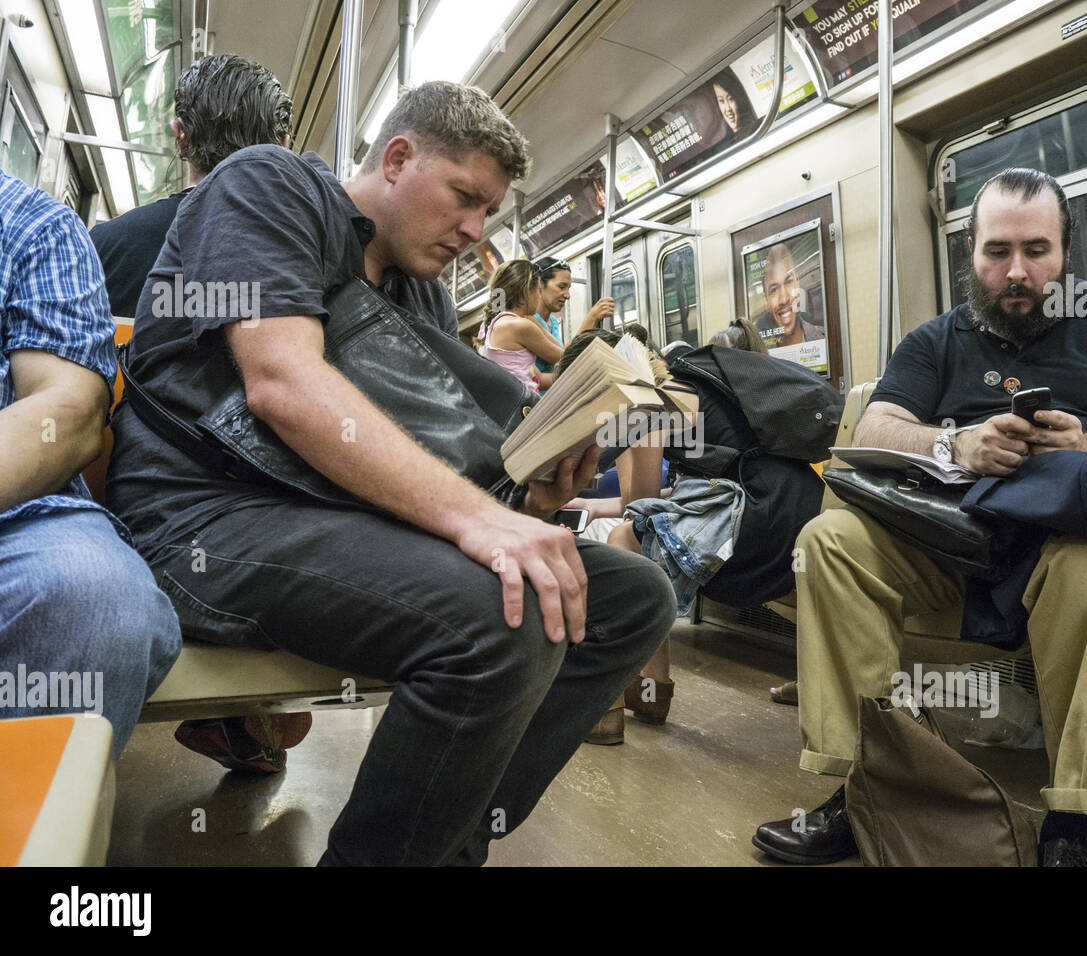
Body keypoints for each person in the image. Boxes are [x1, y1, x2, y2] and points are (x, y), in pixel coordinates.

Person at [106, 80, 675, 865]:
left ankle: (445, 844)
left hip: (333, 520)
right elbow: (281, 383)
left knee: (631, 597)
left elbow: (417, 465)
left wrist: (525, 492)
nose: (476, 232)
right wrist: (480, 521)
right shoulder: (270, 186)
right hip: (205, 515)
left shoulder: (422, 295)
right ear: (399, 158)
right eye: (465, 197)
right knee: (496, 620)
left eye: (490, 214)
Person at [752, 167, 1087, 867]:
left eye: (1037, 250)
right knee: (829, 540)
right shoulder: (937, 340)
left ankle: (1076, 818)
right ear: (970, 253)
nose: (1017, 271)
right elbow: (877, 427)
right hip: (955, 544)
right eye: (997, 251)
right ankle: (865, 791)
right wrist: (956, 443)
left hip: (1070, 541)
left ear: (1068, 250)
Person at [91, 52, 311, 776]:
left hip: (124, 498)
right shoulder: (301, 256)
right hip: (266, 513)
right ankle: (244, 720)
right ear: (278, 145)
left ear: (179, 136)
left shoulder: (105, 248)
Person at [559, 327, 831, 742]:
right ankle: (651, 693)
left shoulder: (649, 404)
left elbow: (642, 501)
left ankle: (612, 702)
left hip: (763, 516)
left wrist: (621, 441)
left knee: (626, 543)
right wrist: (595, 506)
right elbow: (677, 494)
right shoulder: (688, 382)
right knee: (635, 535)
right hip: (791, 503)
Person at [0, 167, 181, 757]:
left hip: (25, 505)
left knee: (100, 598)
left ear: (181, 135)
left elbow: (71, 414)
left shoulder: (48, 230)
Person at [531, 256, 614, 388]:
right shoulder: (530, 320)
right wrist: (591, 319)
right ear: (540, 284)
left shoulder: (552, 321)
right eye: (561, 287)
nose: (567, 295)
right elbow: (562, 359)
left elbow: (562, 352)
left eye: (568, 288)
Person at [478, 258, 558, 395]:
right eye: (539, 290)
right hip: (523, 408)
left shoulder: (487, 327)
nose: (540, 297)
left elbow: (540, 379)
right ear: (527, 290)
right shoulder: (518, 325)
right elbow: (562, 356)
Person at [752, 243, 825, 348]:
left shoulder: (824, 338)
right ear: (766, 301)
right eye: (774, 290)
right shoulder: (759, 353)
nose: (784, 299)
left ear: (797, 284)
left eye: (788, 282)